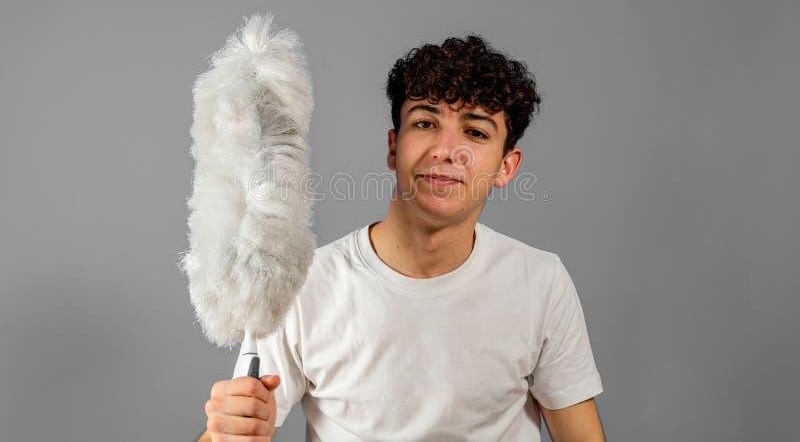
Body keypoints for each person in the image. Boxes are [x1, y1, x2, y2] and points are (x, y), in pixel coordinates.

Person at [200, 35, 606, 441]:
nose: (447, 150)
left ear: (506, 166)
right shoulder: (300, 285)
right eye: (425, 123)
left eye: (476, 133)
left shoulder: (540, 281)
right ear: (394, 148)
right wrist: (224, 433)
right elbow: (235, 431)